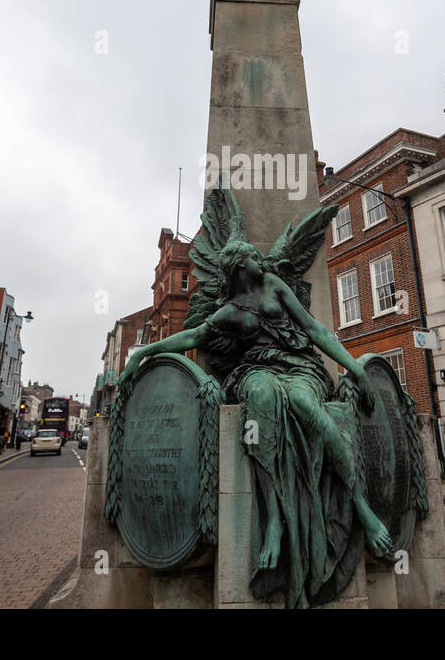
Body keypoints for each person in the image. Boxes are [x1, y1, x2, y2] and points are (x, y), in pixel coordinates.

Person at [117, 185, 390, 609]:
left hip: (299, 366)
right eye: (250, 258)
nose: (258, 260)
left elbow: (316, 331)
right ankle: (277, 522)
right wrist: (146, 352)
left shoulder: (276, 286)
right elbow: (193, 335)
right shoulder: (229, 310)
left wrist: (353, 367)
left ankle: (361, 508)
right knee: (261, 400)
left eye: (256, 257)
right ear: (237, 266)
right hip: (256, 371)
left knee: (306, 406)